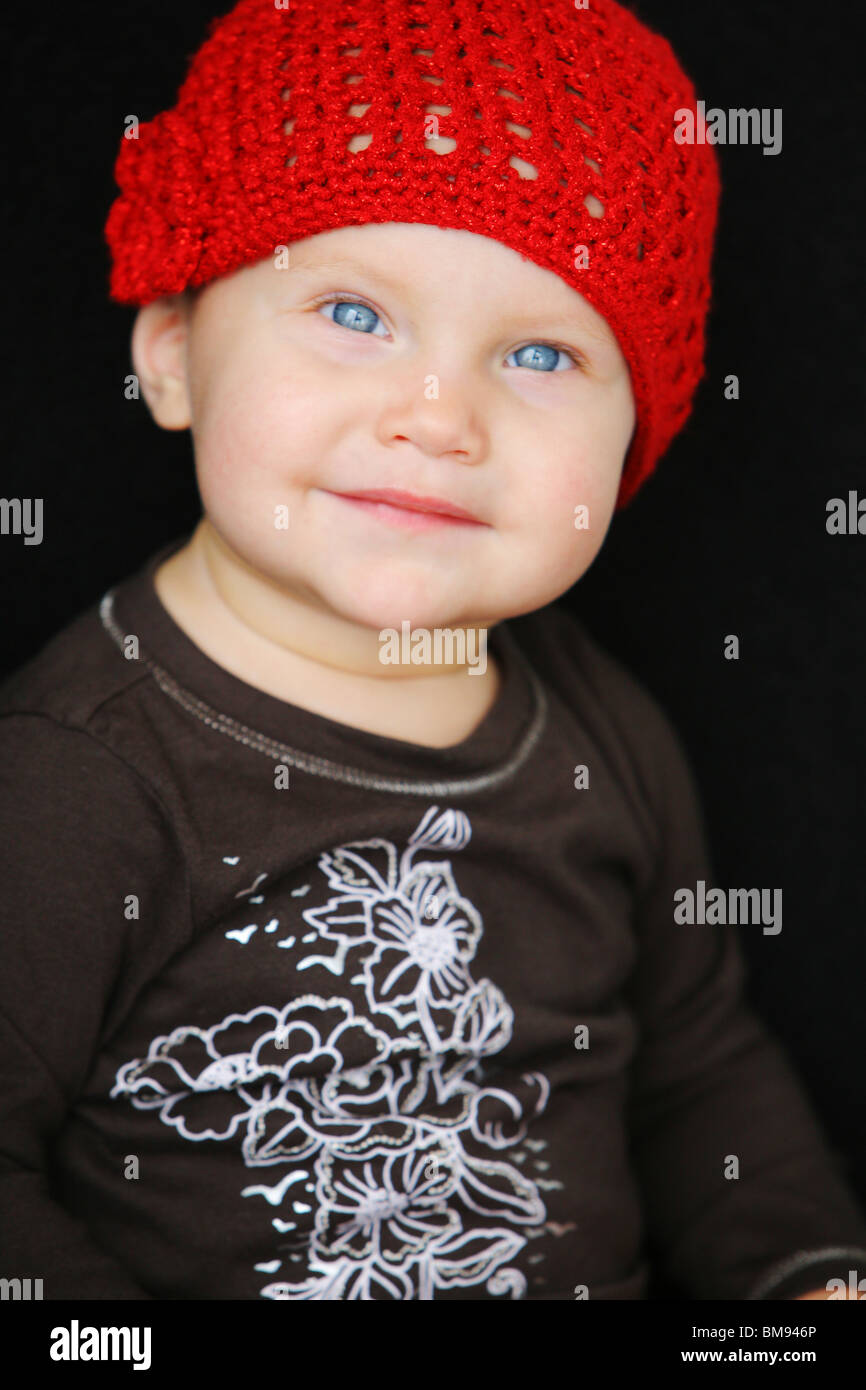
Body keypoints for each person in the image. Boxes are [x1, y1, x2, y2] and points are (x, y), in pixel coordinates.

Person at [1, 0, 864, 1301]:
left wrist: (805, 1280)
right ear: (172, 354)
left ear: (636, 440)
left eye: (538, 352)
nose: (437, 414)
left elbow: (694, 1065)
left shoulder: (600, 732)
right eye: (353, 313)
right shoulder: (77, 776)